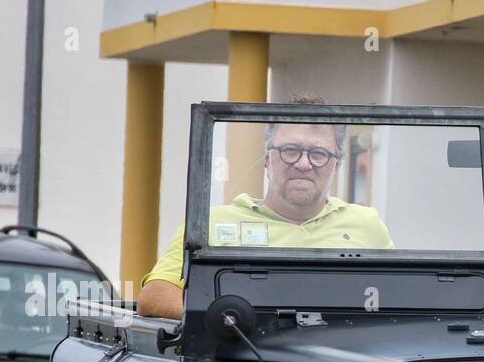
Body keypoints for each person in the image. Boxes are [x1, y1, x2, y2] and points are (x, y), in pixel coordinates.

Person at [137, 94, 393, 318]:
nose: (303, 164)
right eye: (290, 150)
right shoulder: (209, 223)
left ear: (336, 164)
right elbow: (155, 296)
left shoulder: (366, 224)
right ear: (267, 159)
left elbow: (402, 297)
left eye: (318, 154)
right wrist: (241, 322)